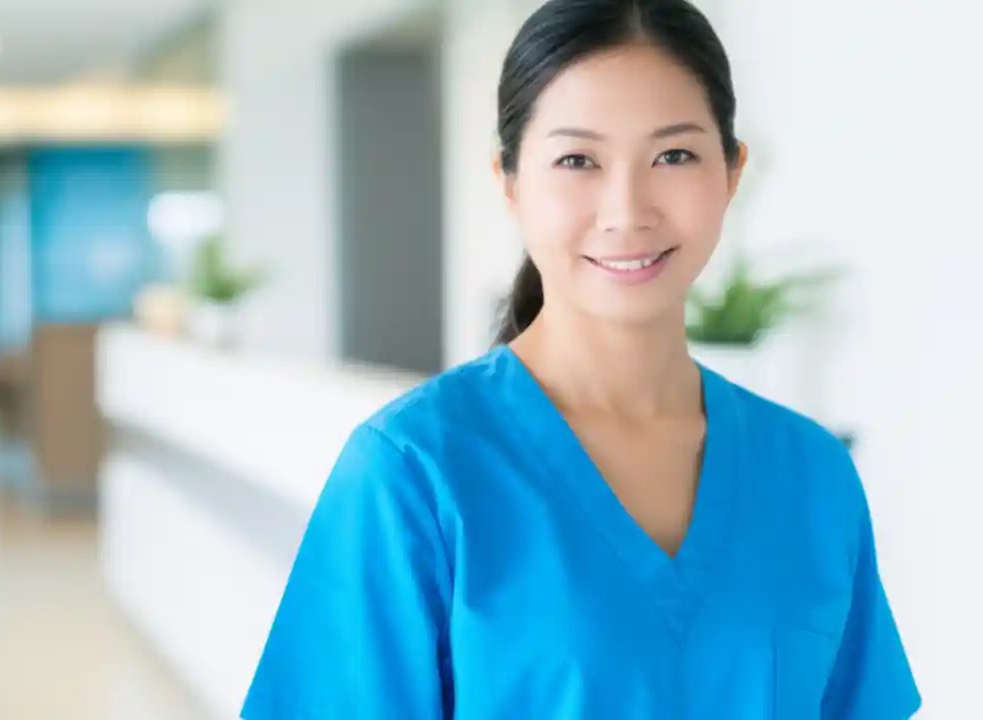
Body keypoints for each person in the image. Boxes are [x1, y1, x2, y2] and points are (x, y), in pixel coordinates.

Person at [241, 1, 920, 718]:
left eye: (674, 155)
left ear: (731, 171)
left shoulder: (809, 475)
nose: (626, 210)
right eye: (577, 160)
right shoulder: (414, 472)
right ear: (510, 181)